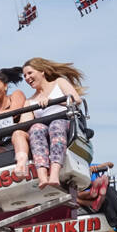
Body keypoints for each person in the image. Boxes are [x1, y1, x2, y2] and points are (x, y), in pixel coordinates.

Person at [20, 58, 84, 191]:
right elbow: (23, 123)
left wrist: (52, 101)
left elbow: (76, 100)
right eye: (25, 75)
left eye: (30, 73)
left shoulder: (59, 83)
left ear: (42, 71)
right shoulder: (30, 101)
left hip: (64, 122)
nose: (27, 78)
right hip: (43, 128)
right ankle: (42, 176)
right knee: (36, 129)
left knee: (56, 125)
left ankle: (54, 173)